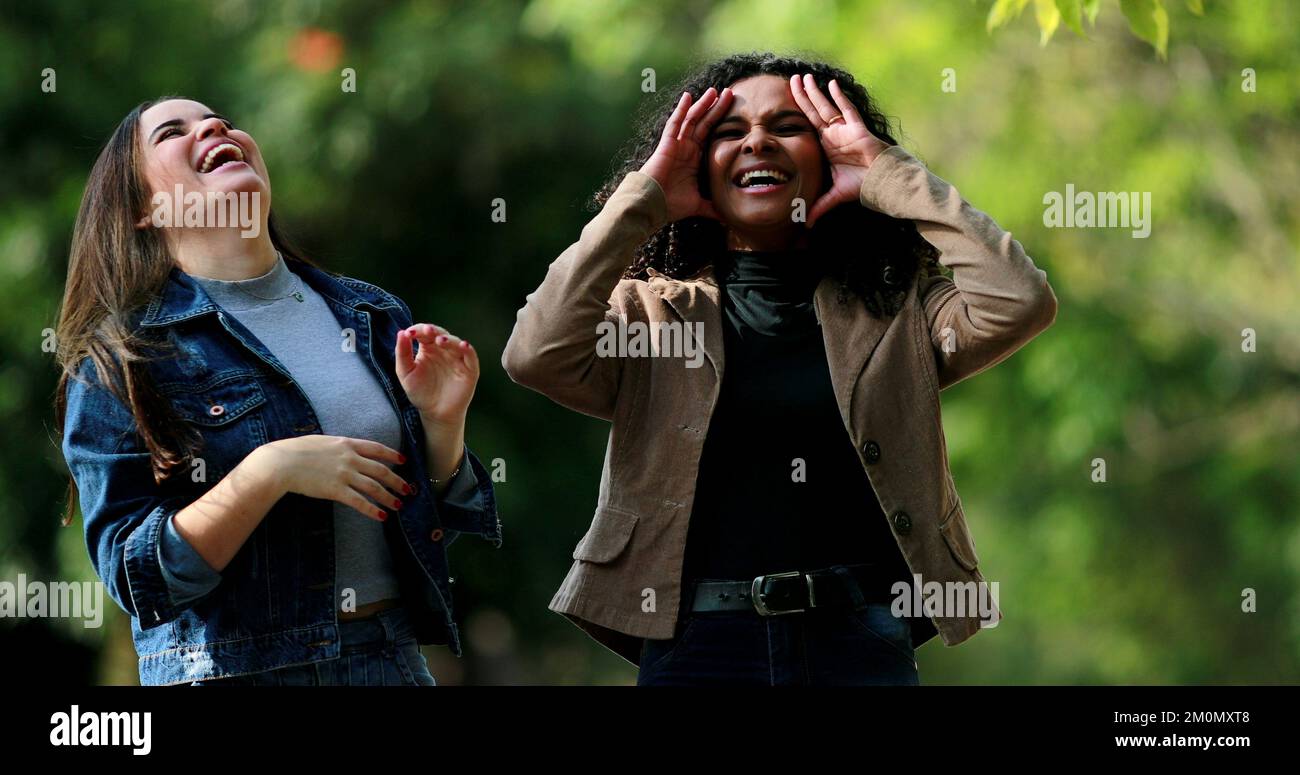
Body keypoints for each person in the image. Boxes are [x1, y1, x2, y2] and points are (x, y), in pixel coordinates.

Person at [502, 52, 1057, 685]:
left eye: (787, 127)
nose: (757, 141)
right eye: (729, 133)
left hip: (860, 638)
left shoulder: (900, 306)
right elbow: (535, 353)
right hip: (696, 642)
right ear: (700, 168)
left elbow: (1019, 299)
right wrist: (646, 199)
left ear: (827, 154)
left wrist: (888, 175)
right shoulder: (646, 313)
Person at [56, 96, 500, 686]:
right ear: (145, 209)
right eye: (172, 132)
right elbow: (139, 579)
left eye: (220, 120)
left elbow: (431, 512)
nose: (215, 126)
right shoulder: (123, 357)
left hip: (388, 660)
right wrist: (269, 471)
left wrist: (443, 424)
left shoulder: (370, 312)